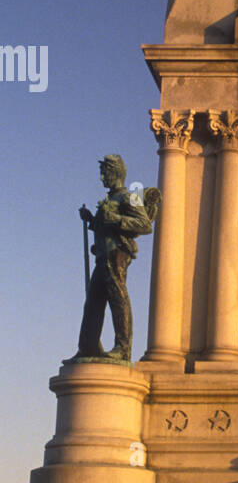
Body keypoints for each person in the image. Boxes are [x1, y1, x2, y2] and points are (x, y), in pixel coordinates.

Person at [74, 155, 155, 363]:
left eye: (105, 173)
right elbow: (106, 227)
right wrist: (91, 220)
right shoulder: (110, 199)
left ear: (116, 173)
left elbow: (145, 225)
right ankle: (88, 346)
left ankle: (123, 348)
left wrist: (117, 219)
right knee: (93, 302)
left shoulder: (130, 197)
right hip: (102, 256)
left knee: (118, 299)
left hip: (116, 255)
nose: (102, 178)